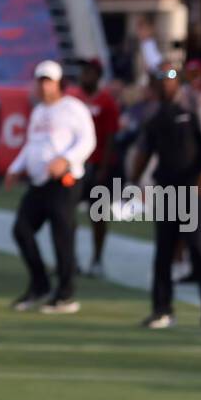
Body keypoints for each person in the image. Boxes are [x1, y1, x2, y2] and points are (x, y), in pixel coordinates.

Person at [130, 62, 201, 329]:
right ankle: (162, 309)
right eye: (161, 77)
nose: (166, 81)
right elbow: (144, 149)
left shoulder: (195, 103)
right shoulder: (154, 111)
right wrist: (133, 182)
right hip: (166, 184)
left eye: (171, 76)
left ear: (178, 79)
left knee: (199, 245)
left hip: (194, 185)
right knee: (164, 249)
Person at [5, 60, 95, 314]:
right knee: (21, 229)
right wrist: (15, 167)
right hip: (39, 182)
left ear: (59, 83)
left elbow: (88, 140)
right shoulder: (39, 112)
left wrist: (66, 160)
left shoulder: (72, 108)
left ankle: (66, 294)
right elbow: (31, 145)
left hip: (64, 181)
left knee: (62, 236)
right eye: (41, 80)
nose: (44, 86)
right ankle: (40, 284)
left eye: (49, 80)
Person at [67, 57, 120, 277]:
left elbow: (110, 137)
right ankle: (70, 258)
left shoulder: (106, 102)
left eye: (89, 72)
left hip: (98, 165)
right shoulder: (72, 98)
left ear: (98, 76)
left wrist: (104, 169)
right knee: (67, 213)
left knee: (98, 215)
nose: (84, 76)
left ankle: (97, 259)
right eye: (83, 72)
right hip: (76, 165)